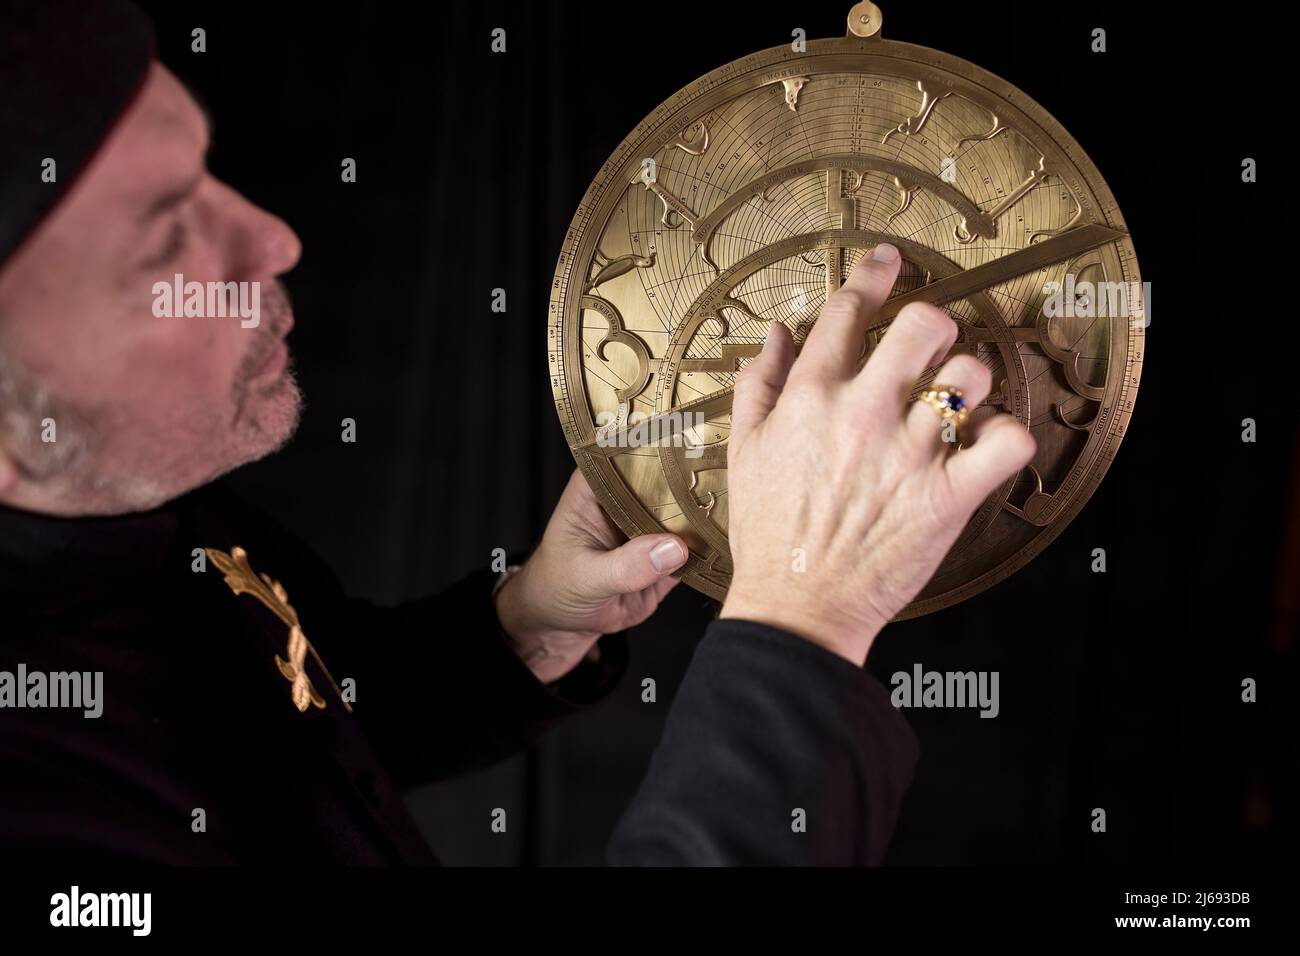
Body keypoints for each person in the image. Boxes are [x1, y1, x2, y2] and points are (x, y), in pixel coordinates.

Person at [0, 0, 1035, 865]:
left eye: (207, 170)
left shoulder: (117, 500)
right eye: (165, 238)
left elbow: (288, 728)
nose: (275, 238)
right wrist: (803, 625)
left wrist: (524, 629)